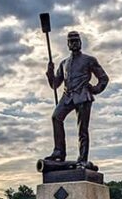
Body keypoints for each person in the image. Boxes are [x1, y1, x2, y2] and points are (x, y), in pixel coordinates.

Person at [45, 30, 109, 166]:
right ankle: (59, 152)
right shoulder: (64, 63)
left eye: (76, 40)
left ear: (80, 42)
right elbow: (55, 85)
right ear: (68, 44)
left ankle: (82, 159)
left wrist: (95, 89)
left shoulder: (89, 60)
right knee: (56, 117)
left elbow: (103, 78)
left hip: (83, 95)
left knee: (82, 130)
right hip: (67, 95)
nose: (74, 43)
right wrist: (50, 73)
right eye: (71, 41)